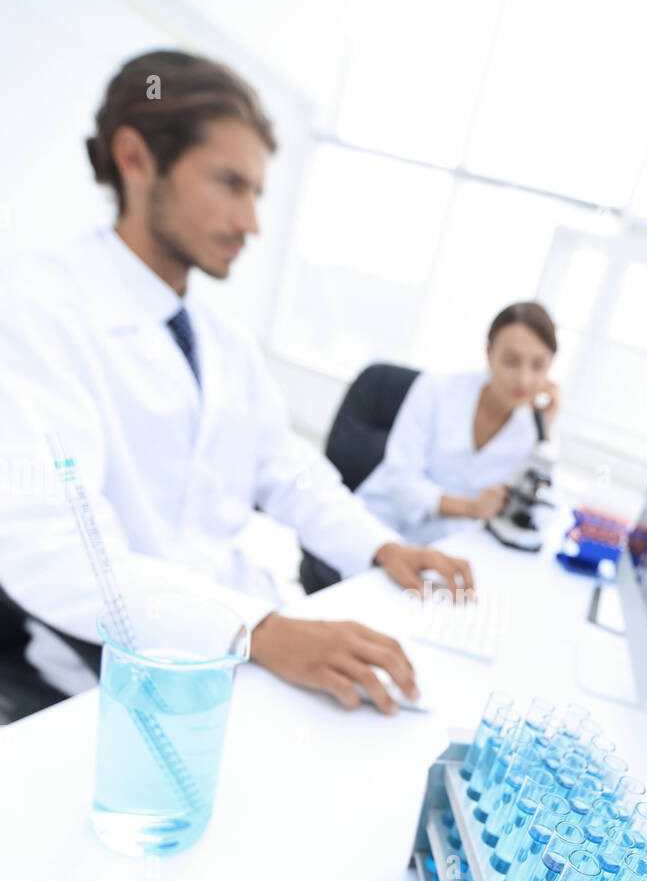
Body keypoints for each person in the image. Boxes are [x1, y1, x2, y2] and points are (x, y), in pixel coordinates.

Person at [0, 51, 474, 718]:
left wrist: (380, 545)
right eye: (230, 184)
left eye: (256, 193)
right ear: (135, 159)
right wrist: (257, 631)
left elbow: (288, 471)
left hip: (241, 642)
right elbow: (61, 551)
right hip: (110, 679)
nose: (251, 222)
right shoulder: (35, 313)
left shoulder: (220, 342)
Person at [356, 302, 560, 544]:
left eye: (538, 365)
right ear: (489, 355)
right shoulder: (436, 389)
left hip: (447, 545)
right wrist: (470, 508)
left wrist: (545, 431)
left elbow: (540, 514)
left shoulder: (536, 428)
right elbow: (400, 481)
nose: (524, 380)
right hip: (378, 526)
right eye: (511, 361)